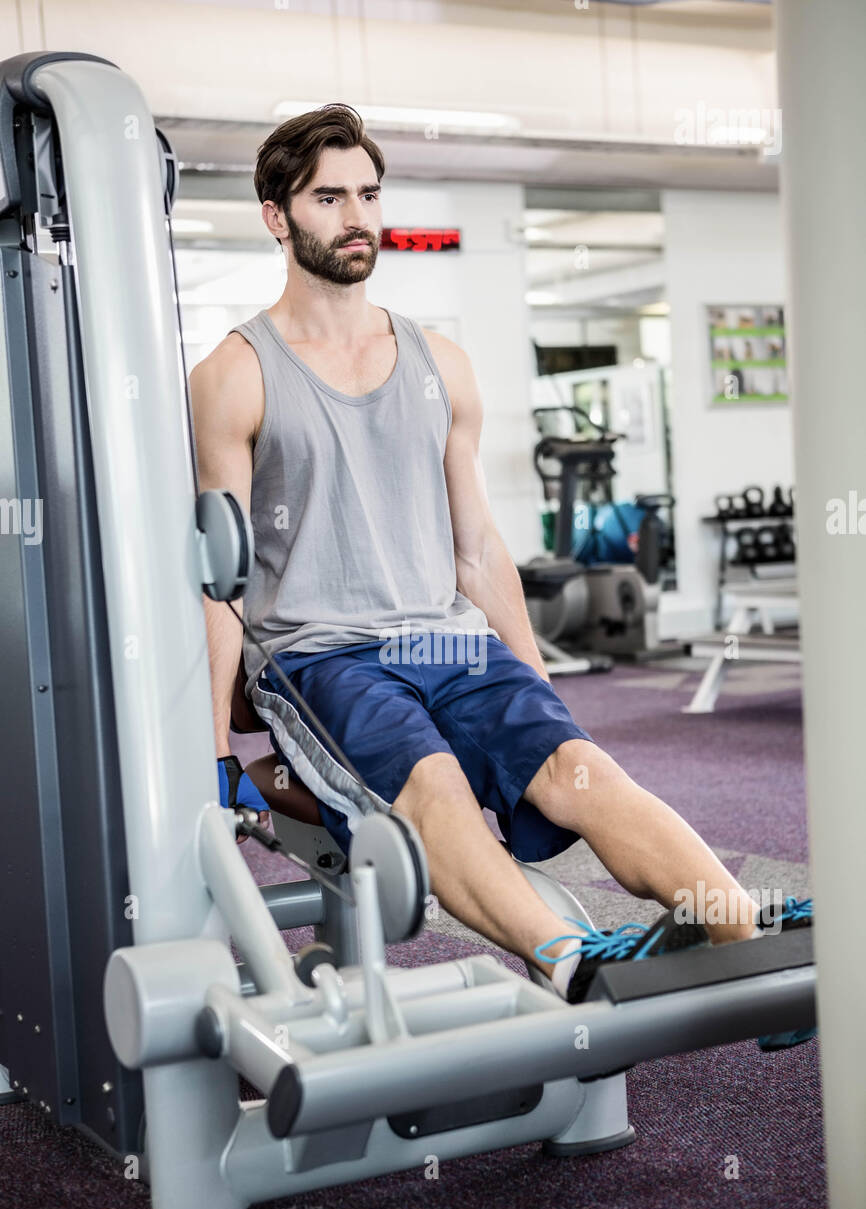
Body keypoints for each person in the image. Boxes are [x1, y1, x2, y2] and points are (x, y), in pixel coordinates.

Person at [190, 104, 811, 1022]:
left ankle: (749, 946)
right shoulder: (233, 374)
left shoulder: (442, 363)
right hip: (324, 655)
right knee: (431, 783)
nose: (357, 216)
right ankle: (571, 964)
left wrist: (535, 686)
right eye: (328, 197)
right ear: (279, 217)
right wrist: (211, 749)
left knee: (578, 768)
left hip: (446, 644)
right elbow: (219, 580)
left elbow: (477, 547)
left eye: (368, 193)